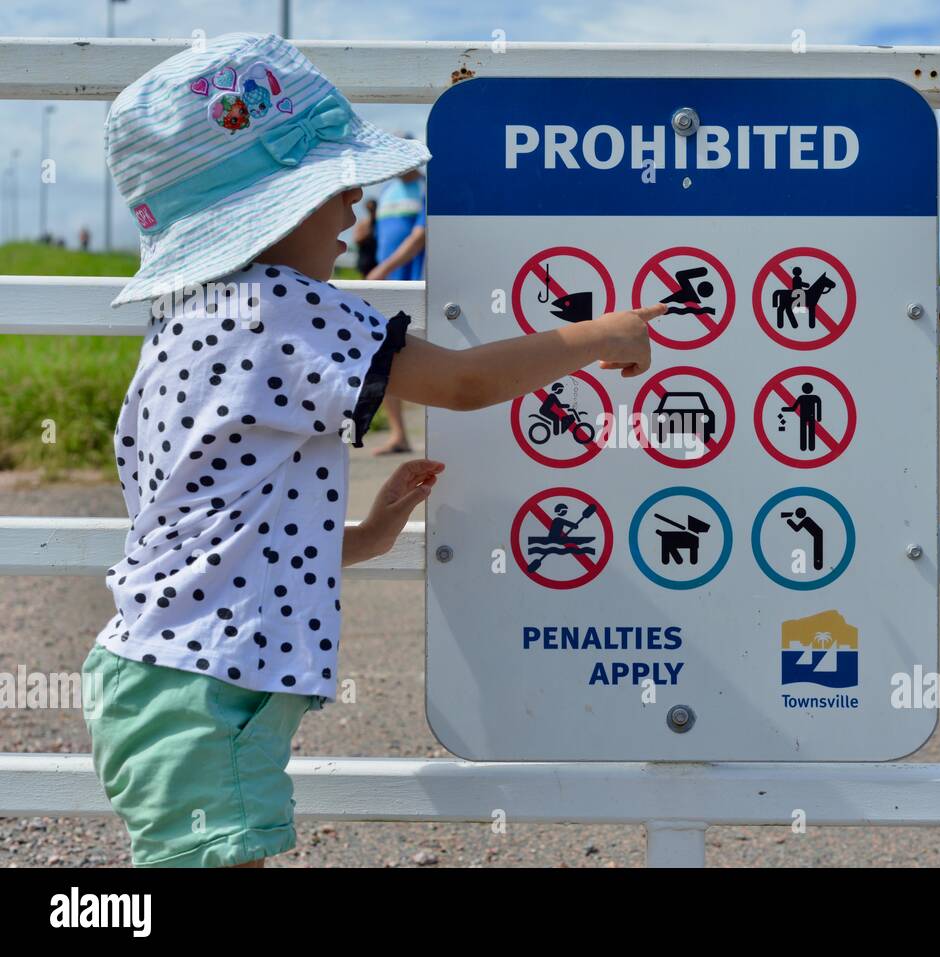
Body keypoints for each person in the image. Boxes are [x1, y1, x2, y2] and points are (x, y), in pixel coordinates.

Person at [82, 32, 664, 869]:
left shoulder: (180, 325)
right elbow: (461, 384)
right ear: (276, 208)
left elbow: (208, 525)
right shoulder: (284, 305)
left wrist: (364, 536)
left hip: (162, 673)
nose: (356, 209)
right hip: (208, 692)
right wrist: (600, 335)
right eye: (336, 190)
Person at [366, 160, 427, 455]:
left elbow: (419, 237)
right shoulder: (388, 190)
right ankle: (398, 433)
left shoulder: (427, 189)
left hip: (415, 281)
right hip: (386, 284)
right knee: (385, 355)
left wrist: (383, 269)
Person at [353, 198, 379, 276]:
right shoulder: (363, 224)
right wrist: (368, 234)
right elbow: (357, 240)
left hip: (377, 260)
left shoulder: (380, 223)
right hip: (365, 260)